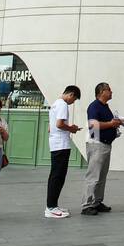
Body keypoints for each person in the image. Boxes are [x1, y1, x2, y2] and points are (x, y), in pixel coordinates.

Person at [82, 82, 124, 216]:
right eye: (109, 90)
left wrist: (116, 123)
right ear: (102, 92)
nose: (111, 92)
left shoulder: (105, 106)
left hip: (105, 144)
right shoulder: (94, 106)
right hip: (97, 144)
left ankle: (97, 201)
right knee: (94, 175)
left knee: (101, 175)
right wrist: (111, 124)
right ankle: (87, 204)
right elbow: (93, 125)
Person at [45, 86, 81, 219]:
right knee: (58, 176)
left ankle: (53, 204)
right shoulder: (62, 105)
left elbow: (51, 127)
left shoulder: (54, 104)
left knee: (55, 175)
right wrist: (71, 128)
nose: (73, 102)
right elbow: (59, 124)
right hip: (61, 145)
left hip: (55, 144)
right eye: (74, 99)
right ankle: (51, 207)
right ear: (70, 94)